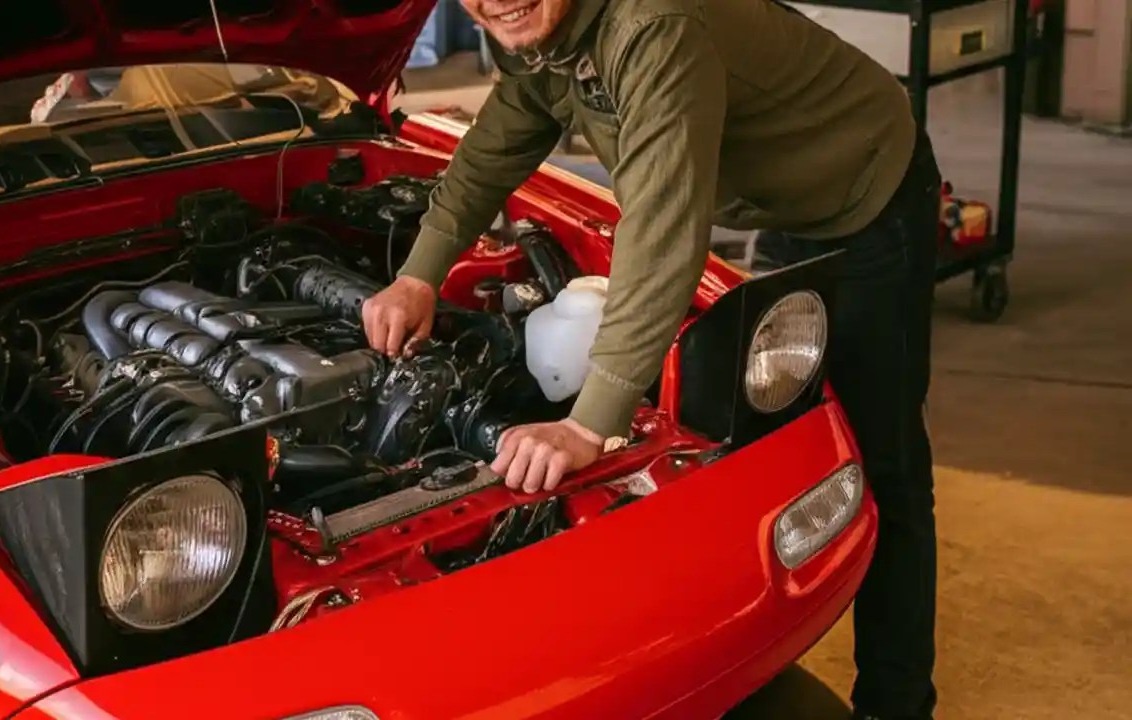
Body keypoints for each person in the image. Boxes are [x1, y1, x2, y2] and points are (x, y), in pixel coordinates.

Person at [362, 1, 940, 717]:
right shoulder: (539, 31)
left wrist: (589, 422)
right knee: (805, 434)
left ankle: (898, 701)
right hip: (782, 193)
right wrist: (419, 273)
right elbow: (495, 146)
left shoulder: (654, 26)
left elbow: (664, 230)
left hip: (864, 189)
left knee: (885, 463)